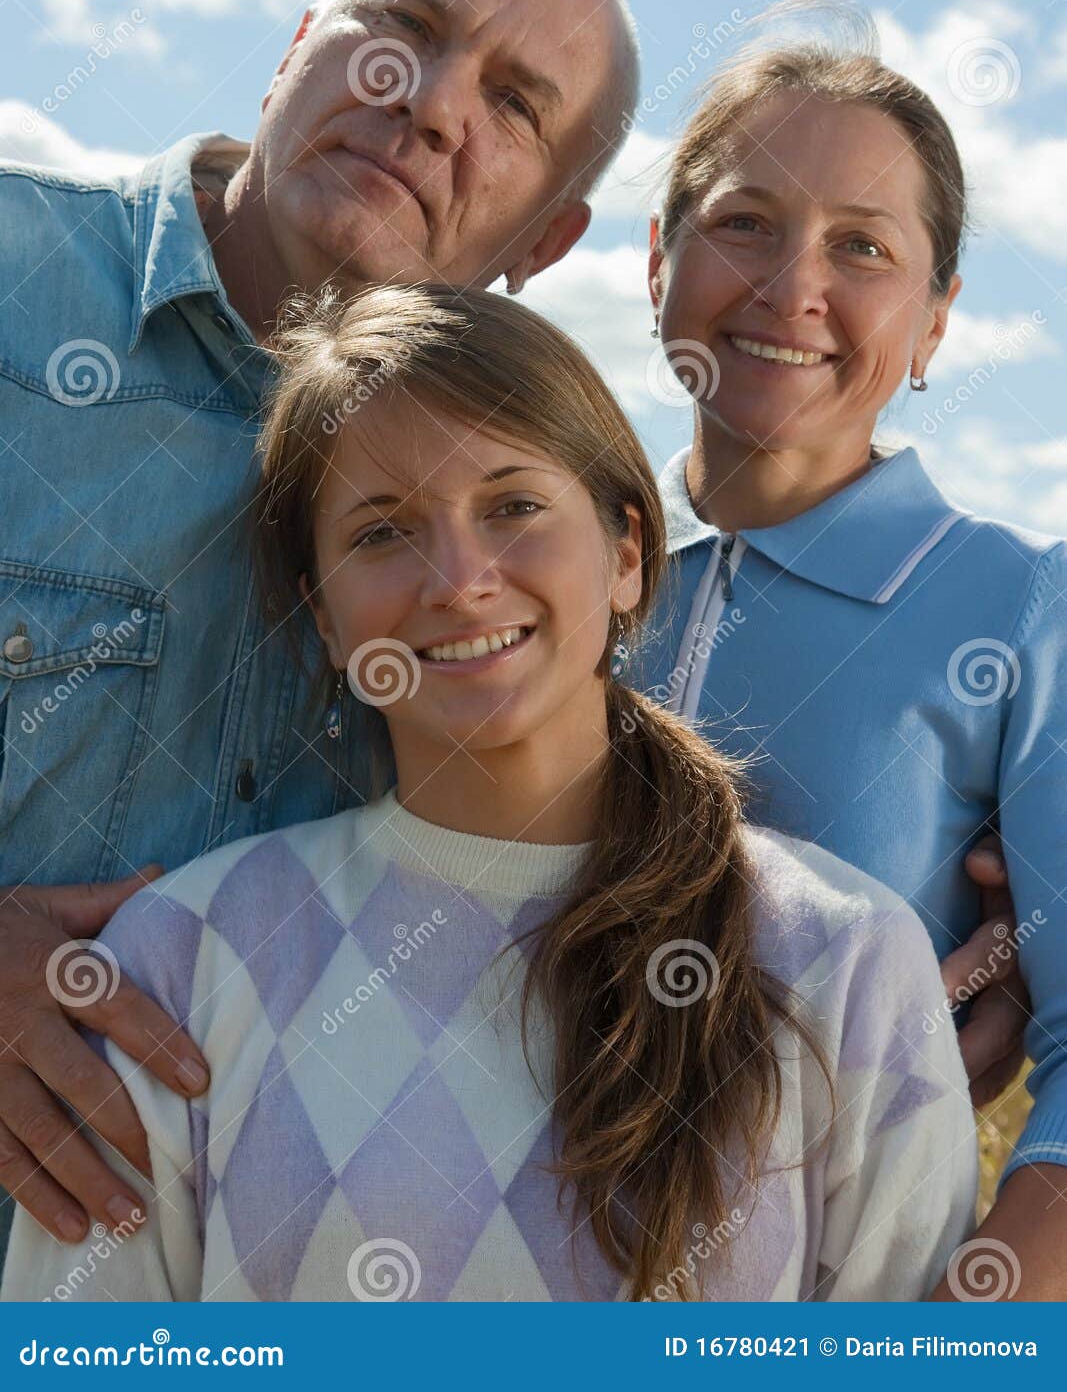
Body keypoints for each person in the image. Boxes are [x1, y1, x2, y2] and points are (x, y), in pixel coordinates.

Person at [1, 285, 977, 1302]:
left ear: (628, 555)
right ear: (323, 616)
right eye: (381, 533)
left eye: (513, 505)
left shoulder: (848, 959)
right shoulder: (175, 963)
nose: (458, 578)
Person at [0, 0, 638, 1269]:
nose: (428, 101)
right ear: (297, 44)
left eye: (515, 103)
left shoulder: (510, 567)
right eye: (403, 26)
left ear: (549, 234)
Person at [635, 31, 1067, 1299]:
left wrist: (953, 1337)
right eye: (744, 221)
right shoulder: (542, 575)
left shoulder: (1020, 606)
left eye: (861, 246)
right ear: (658, 261)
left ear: (932, 324)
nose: (790, 286)